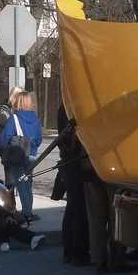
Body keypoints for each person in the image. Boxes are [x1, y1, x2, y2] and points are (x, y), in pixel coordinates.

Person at [0, 91, 42, 222]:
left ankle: (21, 213)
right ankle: (29, 211)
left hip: (18, 156)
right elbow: (39, 139)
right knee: (27, 184)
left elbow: (4, 139)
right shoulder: (36, 119)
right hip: (32, 155)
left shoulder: (14, 118)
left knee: (18, 184)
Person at [55, 105, 90, 266]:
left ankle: (70, 251)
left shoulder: (66, 106)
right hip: (75, 162)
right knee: (78, 209)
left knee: (73, 208)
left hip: (71, 161)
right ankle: (77, 251)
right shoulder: (72, 106)